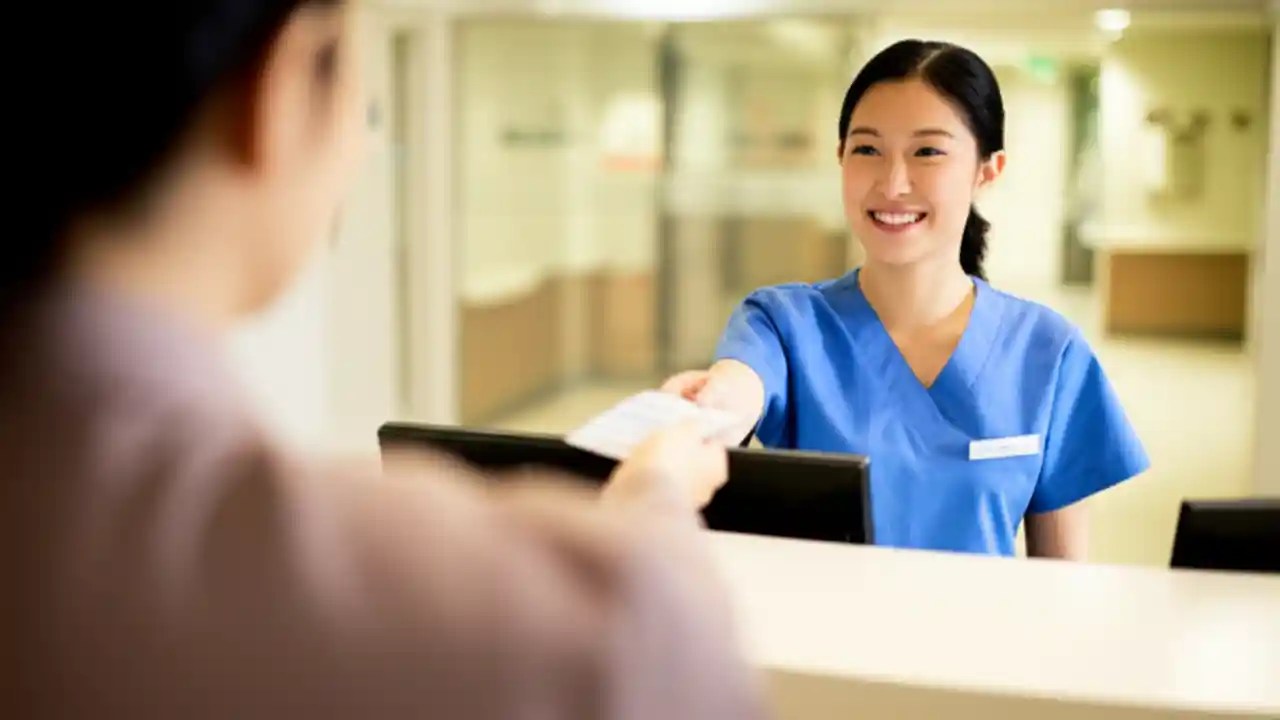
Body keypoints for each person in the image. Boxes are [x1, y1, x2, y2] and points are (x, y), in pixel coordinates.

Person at [5, 2, 763, 717]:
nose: (364, 146)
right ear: (281, 86)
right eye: (363, 112)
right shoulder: (540, 625)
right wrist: (655, 496)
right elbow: (656, 639)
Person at [662, 40, 1149, 560]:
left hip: (985, 639)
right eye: (867, 149)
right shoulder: (784, 324)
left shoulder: (1048, 353)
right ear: (841, 158)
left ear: (987, 170)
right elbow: (740, 386)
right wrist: (713, 406)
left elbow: (1061, 580)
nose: (893, 184)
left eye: (928, 152)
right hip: (819, 637)